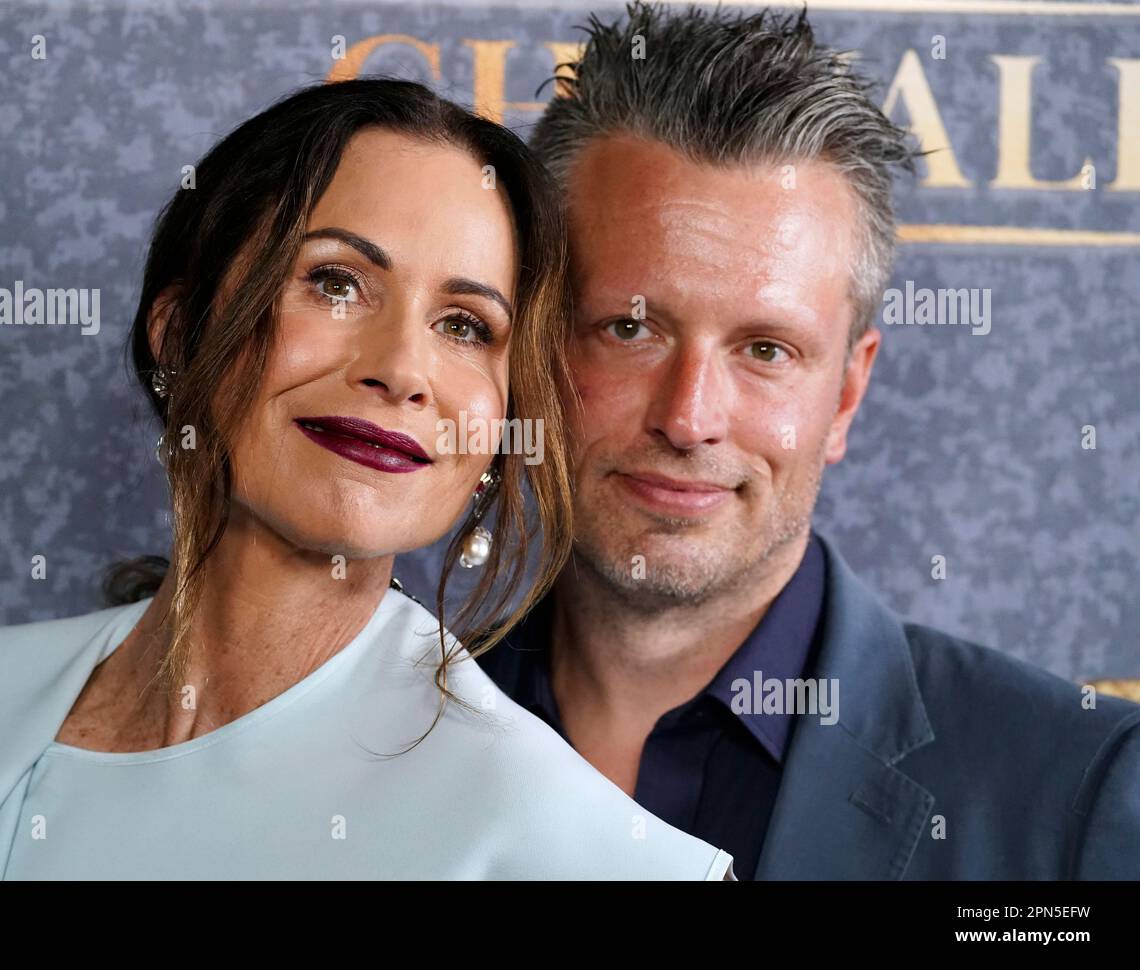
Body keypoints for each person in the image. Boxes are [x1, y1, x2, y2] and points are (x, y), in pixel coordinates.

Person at [0, 78, 734, 881]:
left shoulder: (574, 853)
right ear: (181, 329)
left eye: (466, 325)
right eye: (337, 282)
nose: (402, 369)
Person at [476, 4, 1140, 879]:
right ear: (535, 337)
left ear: (847, 394)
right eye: (629, 331)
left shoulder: (1077, 795)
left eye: (766, 350)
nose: (689, 417)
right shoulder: (388, 734)